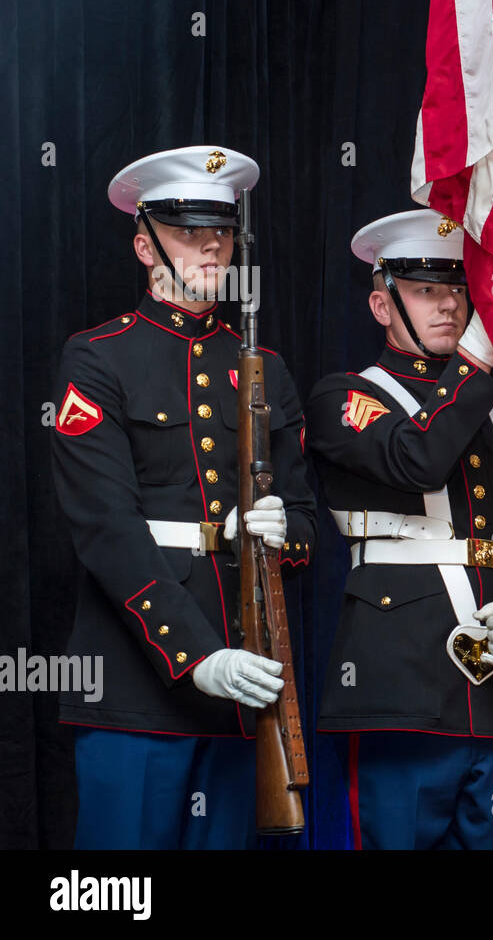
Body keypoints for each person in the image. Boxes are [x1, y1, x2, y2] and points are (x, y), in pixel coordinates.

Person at [52, 145, 316, 849]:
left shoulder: (265, 368)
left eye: (222, 230)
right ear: (144, 244)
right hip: (139, 688)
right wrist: (199, 656)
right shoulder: (98, 358)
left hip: (243, 684)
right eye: (187, 230)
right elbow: (107, 529)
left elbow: (310, 523)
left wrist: (282, 528)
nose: (210, 245)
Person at [306, 209, 493, 849]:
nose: (451, 306)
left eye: (460, 289)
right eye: (427, 290)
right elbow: (418, 457)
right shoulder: (343, 396)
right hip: (403, 690)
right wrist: (486, 357)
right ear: (381, 304)